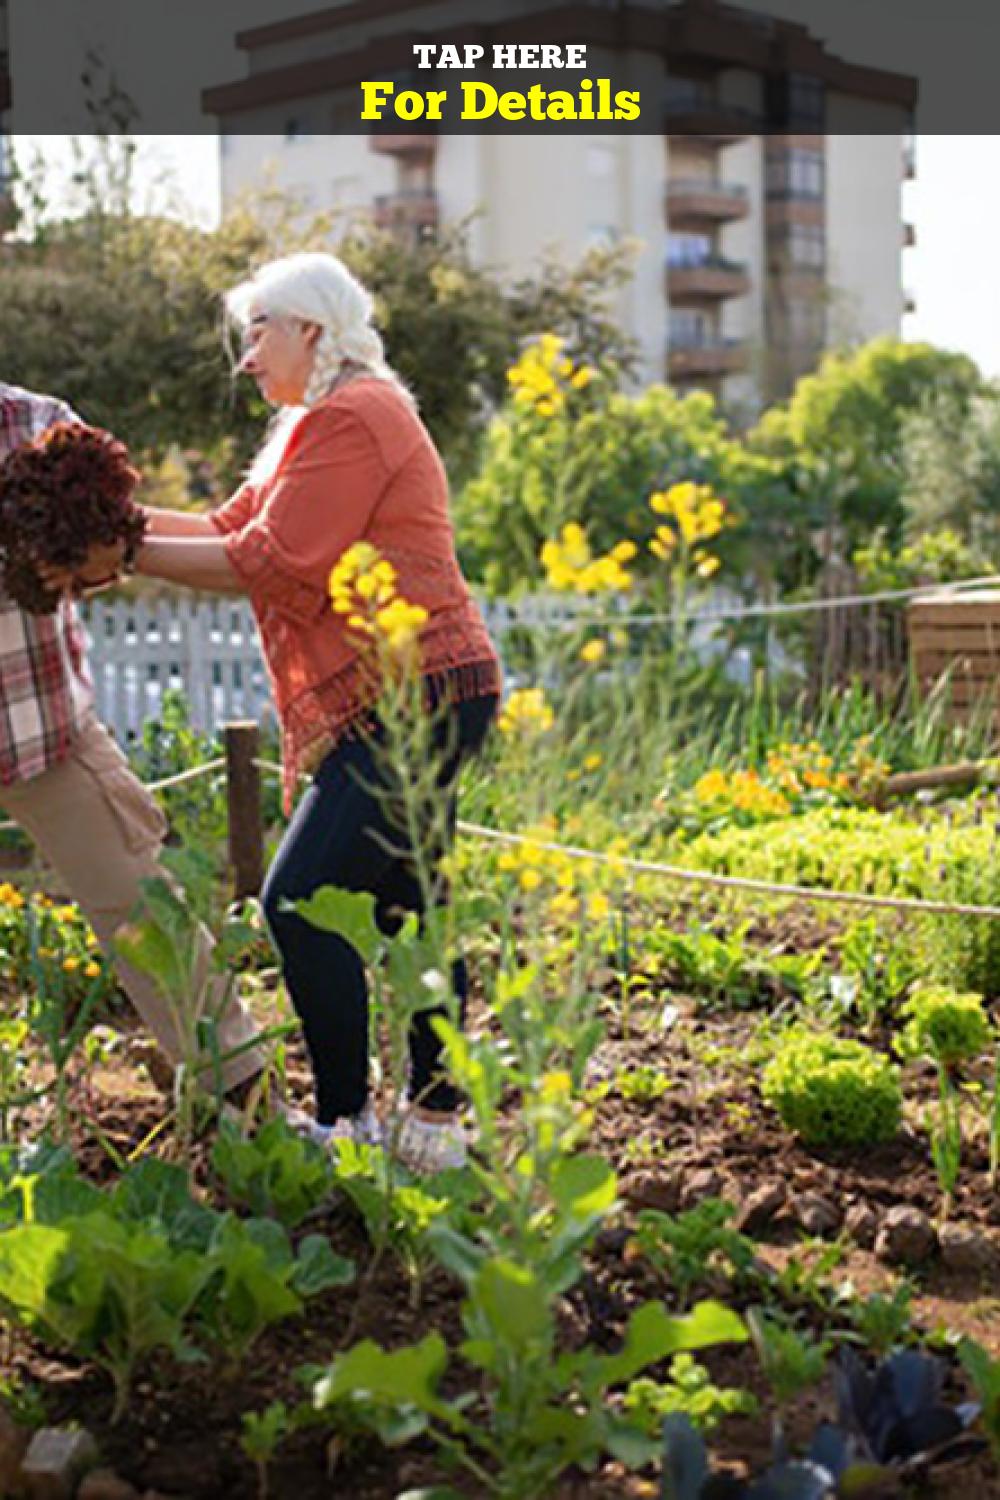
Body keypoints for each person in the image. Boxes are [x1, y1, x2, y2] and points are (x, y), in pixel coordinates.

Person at [64, 253, 501, 1172]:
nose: (246, 357)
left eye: (258, 331)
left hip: (411, 691)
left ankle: (351, 1120)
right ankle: (434, 1125)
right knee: (414, 904)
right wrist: (106, 523)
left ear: (310, 327)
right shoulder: (318, 423)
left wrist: (118, 550)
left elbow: (277, 560)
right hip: (423, 687)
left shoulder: (356, 414)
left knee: (297, 901)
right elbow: (231, 529)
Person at [0, 382, 265, 1106]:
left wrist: (80, 562)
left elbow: (112, 549)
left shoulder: (36, 424)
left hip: (40, 729)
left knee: (146, 910)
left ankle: (249, 1111)